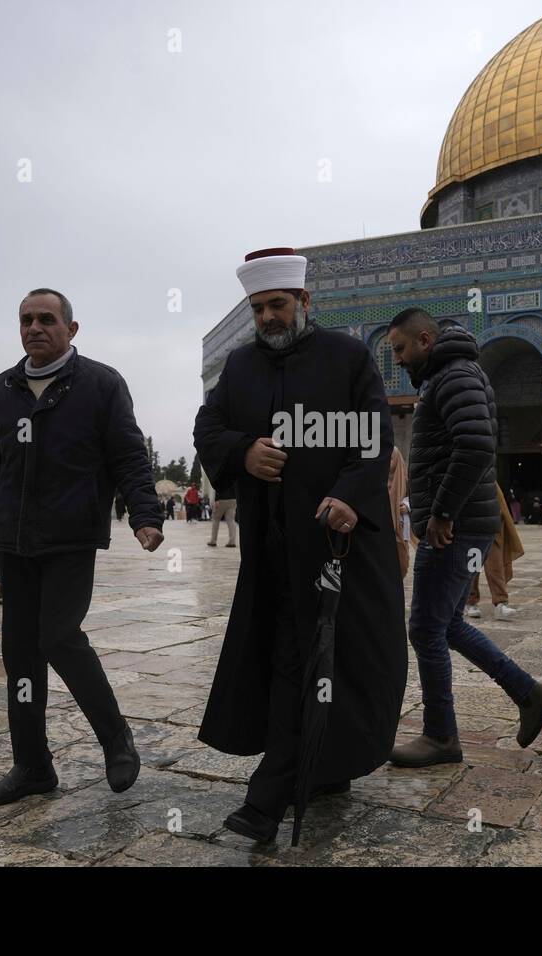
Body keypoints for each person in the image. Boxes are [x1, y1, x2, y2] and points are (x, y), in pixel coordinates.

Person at [193, 248, 406, 844]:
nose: (268, 317)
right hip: (276, 554)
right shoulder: (238, 369)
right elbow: (207, 429)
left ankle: (281, 790)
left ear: (305, 303)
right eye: (259, 308)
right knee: (294, 662)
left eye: (278, 305)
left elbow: (373, 436)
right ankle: (277, 793)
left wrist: (348, 496)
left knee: (334, 663)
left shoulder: (346, 357)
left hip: (341, 552)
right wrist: (243, 452)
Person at [0, 287, 164, 809]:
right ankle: (33, 766)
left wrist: (145, 515)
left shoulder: (100, 385)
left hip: (69, 536)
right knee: (20, 655)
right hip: (12, 540)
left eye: (46, 319)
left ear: (71, 329)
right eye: (25, 320)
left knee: (59, 637)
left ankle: (116, 740)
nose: (34, 327)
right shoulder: (2, 389)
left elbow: (129, 456)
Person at [385, 307, 542, 769]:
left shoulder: (455, 375)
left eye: (400, 349)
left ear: (425, 339)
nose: (397, 361)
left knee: (425, 627)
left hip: (457, 528)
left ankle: (441, 736)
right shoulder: (450, 375)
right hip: (463, 525)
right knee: (447, 624)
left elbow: (476, 445)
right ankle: (529, 693)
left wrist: (442, 512)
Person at [467, 484, 523, 620]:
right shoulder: (466, 476)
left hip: (491, 530)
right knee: (472, 570)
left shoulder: (490, 480)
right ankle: (470, 602)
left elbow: (501, 504)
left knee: (496, 568)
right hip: (471, 530)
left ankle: (501, 603)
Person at [387, 447, 412, 578]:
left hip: (400, 529)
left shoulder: (405, 480)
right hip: (384, 530)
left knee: (401, 565)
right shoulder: (376, 480)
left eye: (390, 459)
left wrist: (407, 506)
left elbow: (415, 499)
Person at [207, 474, 237, 548]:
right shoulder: (233, 475)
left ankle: (213, 541)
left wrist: (216, 499)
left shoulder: (220, 474)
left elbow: (216, 487)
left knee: (215, 520)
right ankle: (232, 541)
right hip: (233, 500)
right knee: (231, 521)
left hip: (221, 500)